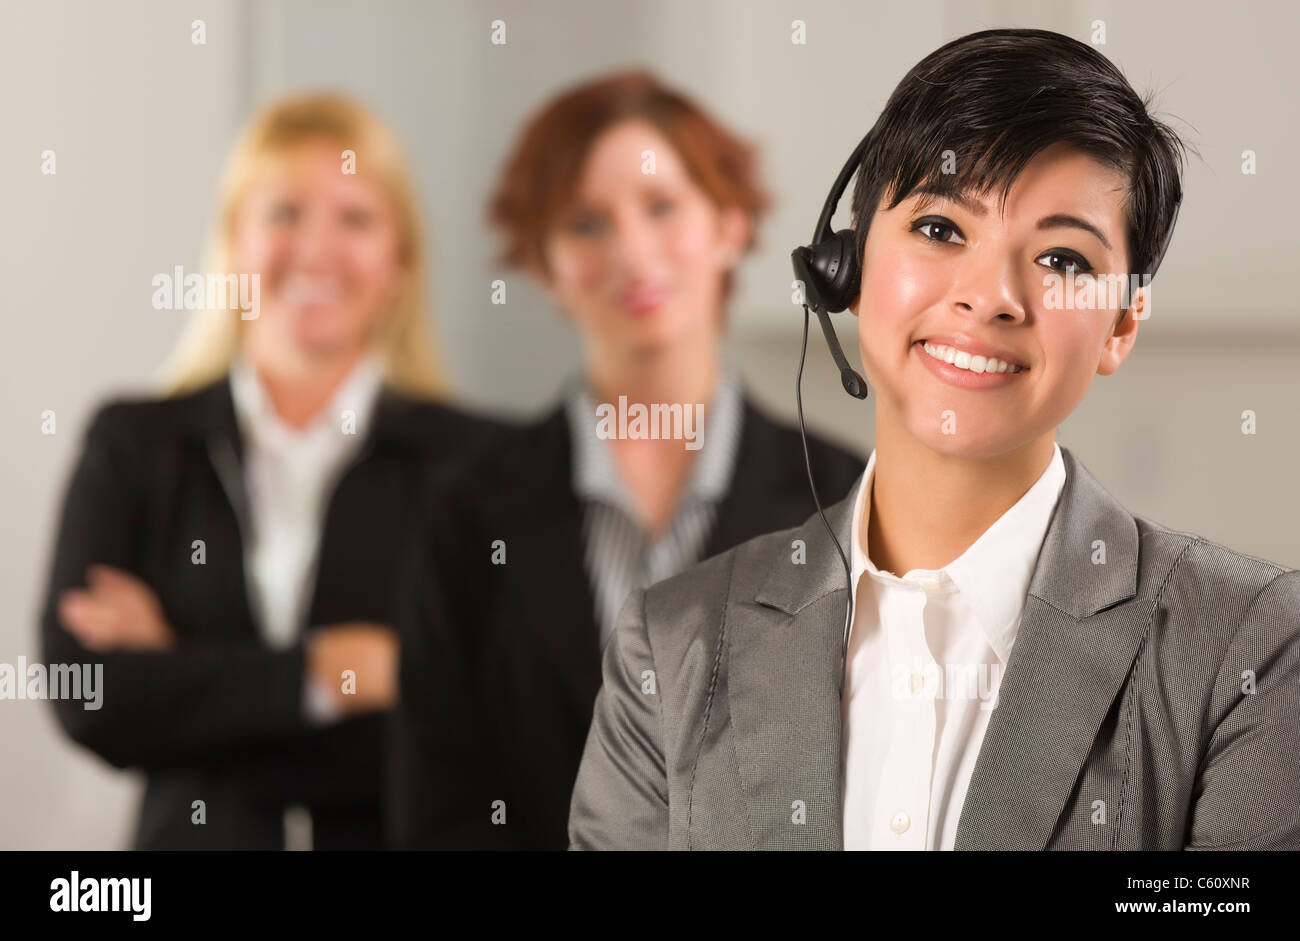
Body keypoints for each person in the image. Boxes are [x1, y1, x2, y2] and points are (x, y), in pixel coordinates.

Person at [568, 29, 1300, 850]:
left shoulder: (1254, 645)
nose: (990, 297)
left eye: (1061, 258)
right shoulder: (671, 645)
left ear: (1121, 325)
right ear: (844, 266)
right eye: (942, 229)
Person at [390, 70, 865, 849]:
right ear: (540, 263)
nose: (632, 252)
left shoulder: (839, 491)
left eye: (661, 207)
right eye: (585, 223)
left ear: (732, 225)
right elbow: (435, 811)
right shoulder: (465, 508)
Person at [40, 92, 509, 850]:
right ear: (233, 243)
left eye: (355, 218)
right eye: (284, 212)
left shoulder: (478, 464)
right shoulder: (137, 443)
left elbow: (495, 723)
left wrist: (185, 673)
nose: (316, 249)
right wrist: (346, 668)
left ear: (400, 263)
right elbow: (87, 693)